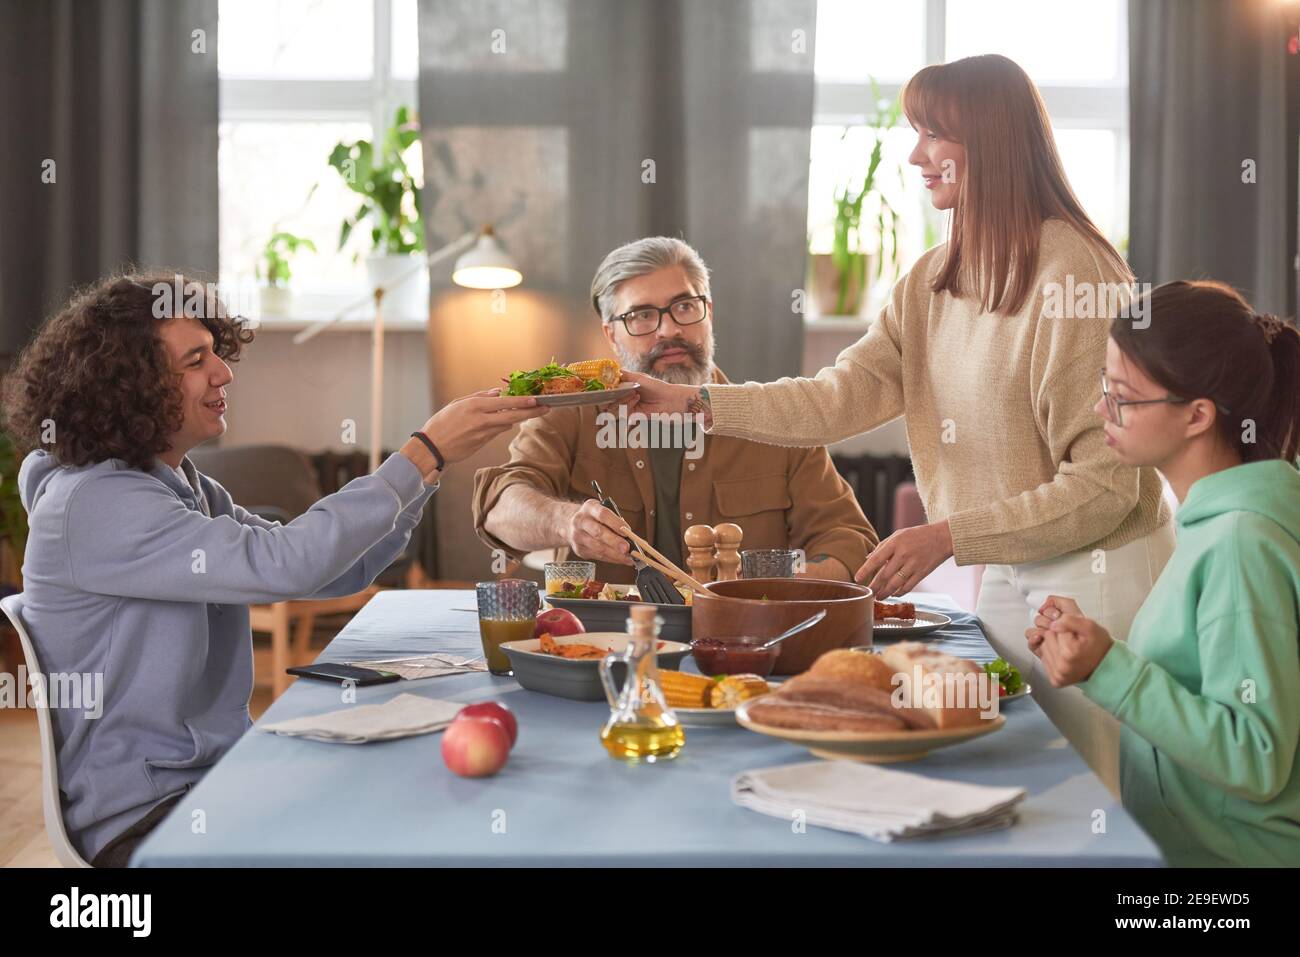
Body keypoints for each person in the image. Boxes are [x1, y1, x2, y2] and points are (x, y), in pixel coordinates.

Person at [626, 55, 1174, 793]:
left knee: (1091, 786)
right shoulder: (933, 277)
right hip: (1010, 565)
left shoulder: (1075, 275)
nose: (915, 155)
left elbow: (1106, 489)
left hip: (1100, 564)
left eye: (933, 133)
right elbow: (835, 397)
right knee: (1014, 764)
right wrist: (699, 403)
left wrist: (948, 536)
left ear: (992, 141)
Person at [2, 272, 547, 865]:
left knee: (408, 790)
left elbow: (327, 572)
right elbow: (288, 564)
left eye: (216, 351)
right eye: (195, 360)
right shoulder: (94, 504)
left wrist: (427, 473)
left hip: (216, 778)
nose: (224, 372)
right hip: (149, 818)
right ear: (130, 384)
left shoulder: (181, 485)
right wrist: (422, 452)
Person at [1027, 280, 1300, 866]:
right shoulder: (1216, 522)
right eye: (1105, 386)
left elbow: (1253, 754)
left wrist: (1108, 668)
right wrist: (1096, 651)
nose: (1102, 409)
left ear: (1197, 414)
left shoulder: (1239, 543)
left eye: (1122, 395)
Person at [474, 236, 877, 584]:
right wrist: (565, 522)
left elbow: (849, 542)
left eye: (685, 306)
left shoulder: (771, 417)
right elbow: (498, 508)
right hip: (606, 643)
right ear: (611, 336)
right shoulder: (570, 415)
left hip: (741, 643)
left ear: (709, 313)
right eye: (642, 315)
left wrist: (778, 587)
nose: (669, 330)